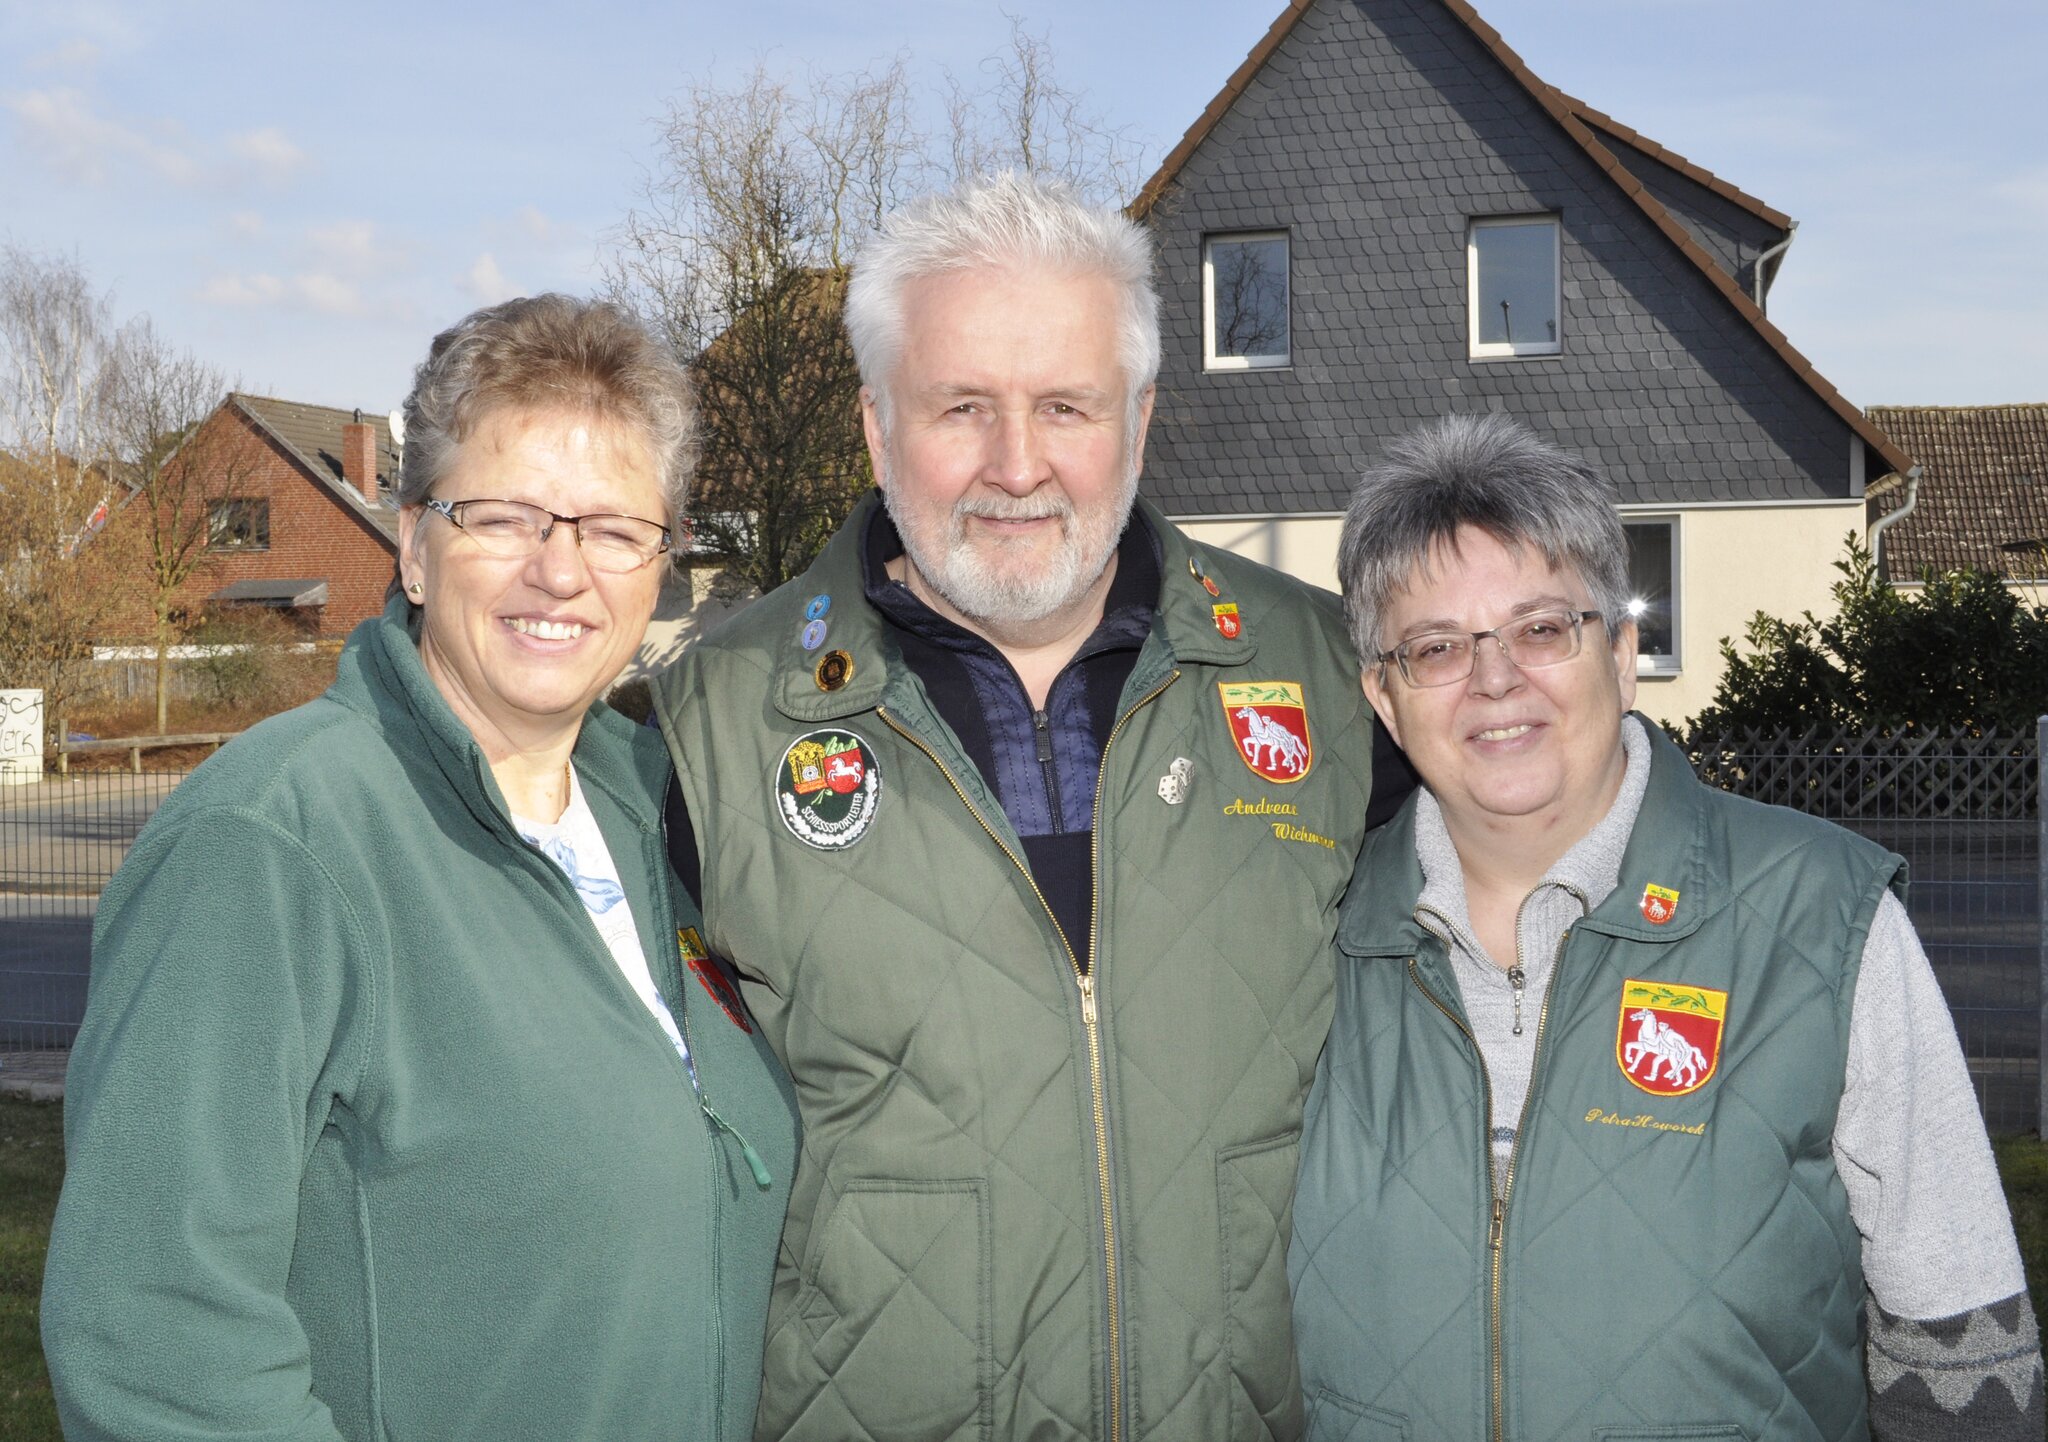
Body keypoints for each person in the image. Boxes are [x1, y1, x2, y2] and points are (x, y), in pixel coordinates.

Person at [650, 172, 1409, 1441]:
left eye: (1065, 405)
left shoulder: (1337, 680)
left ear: (1141, 417)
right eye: (961, 408)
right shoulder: (710, 728)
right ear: (879, 426)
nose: (1015, 466)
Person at [41, 295, 797, 1442]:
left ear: (658, 564)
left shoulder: (666, 814)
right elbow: (155, 1339)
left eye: (609, 527)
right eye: (503, 516)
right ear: (410, 542)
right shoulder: (270, 841)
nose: (560, 570)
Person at [1290, 412, 2043, 1441]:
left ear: (1623, 649)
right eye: (1433, 647)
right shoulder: (1306, 935)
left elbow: (1962, 1359)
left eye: (1541, 627)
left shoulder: (1820, 915)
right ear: (1382, 695)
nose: (1495, 678)